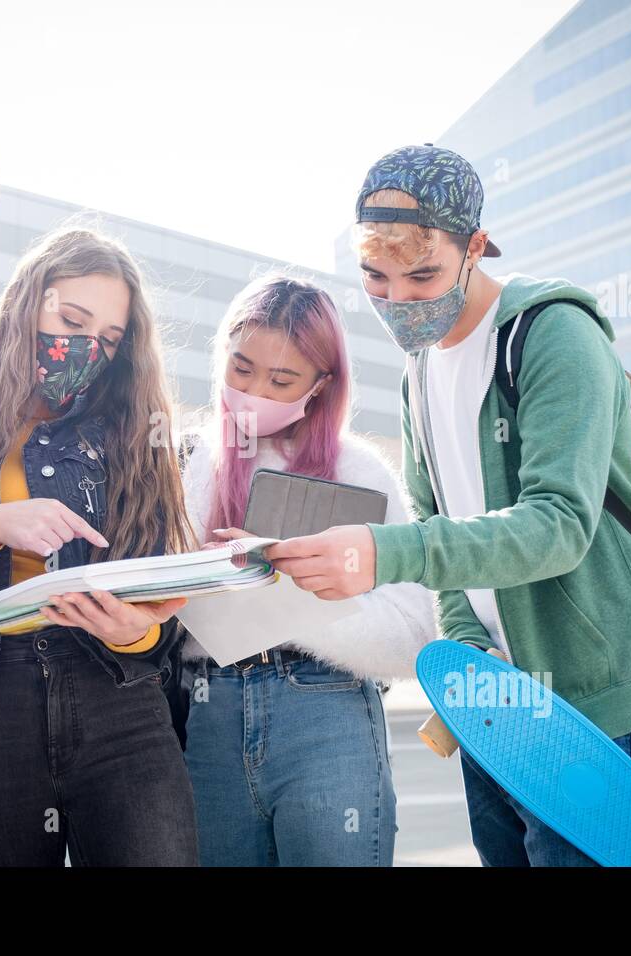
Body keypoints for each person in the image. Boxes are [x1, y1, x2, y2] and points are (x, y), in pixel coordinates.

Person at [264, 144, 631, 866]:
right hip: (497, 703)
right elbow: (441, 525)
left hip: (596, 697)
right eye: (375, 277)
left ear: (474, 247)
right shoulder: (419, 370)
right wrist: (467, 651)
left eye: (423, 274)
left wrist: (381, 553)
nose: (398, 300)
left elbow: (558, 526)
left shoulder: (554, 332)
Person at [0, 225, 199, 866]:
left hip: (120, 707)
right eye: (72, 319)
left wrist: (131, 632)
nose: (85, 349)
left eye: (107, 340)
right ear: (28, 298)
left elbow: (161, 624)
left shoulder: (138, 441)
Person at [177, 273, 435, 866]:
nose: (255, 391)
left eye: (282, 379)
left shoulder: (359, 469)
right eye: (241, 369)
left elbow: (415, 635)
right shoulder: (188, 461)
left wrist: (292, 587)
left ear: (321, 385)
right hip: (209, 711)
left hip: (327, 705)